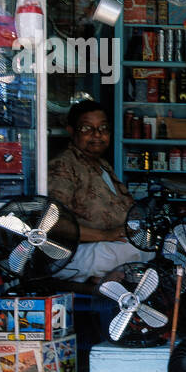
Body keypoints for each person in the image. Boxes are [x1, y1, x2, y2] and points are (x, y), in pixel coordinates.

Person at [47, 100, 154, 283]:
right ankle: (98, 278)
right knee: (135, 251)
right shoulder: (63, 166)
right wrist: (105, 235)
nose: (97, 135)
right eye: (87, 129)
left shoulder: (102, 165)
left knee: (163, 243)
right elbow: (51, 223)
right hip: (75, 253)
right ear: (71, 131)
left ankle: (103, 278)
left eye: (103, 128)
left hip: (106, 246)